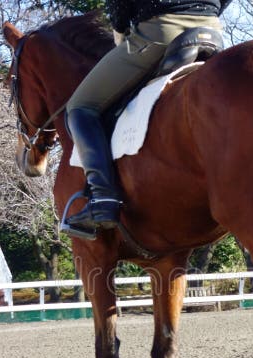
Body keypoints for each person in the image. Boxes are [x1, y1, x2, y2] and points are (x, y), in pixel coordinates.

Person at [63, 0, 231, 237]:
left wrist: (120, 31)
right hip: (212, 31)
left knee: (80, 107)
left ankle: (103, 199)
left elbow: (119, 5)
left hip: (161, 32)